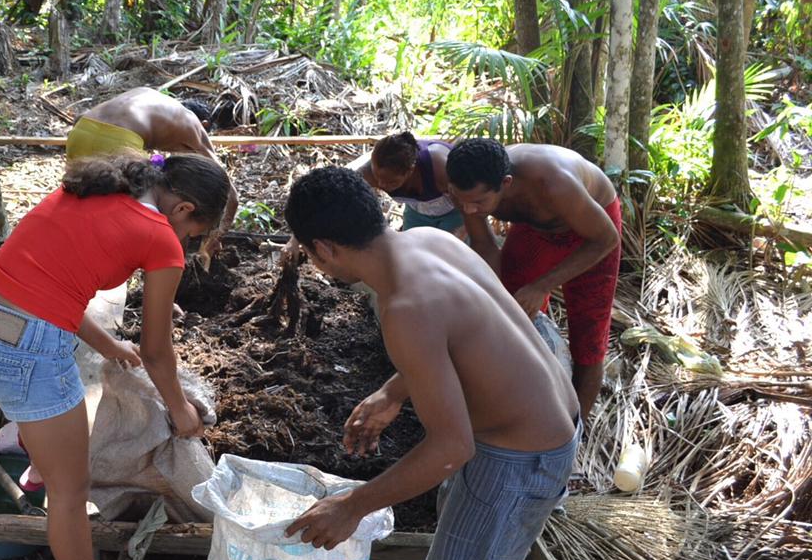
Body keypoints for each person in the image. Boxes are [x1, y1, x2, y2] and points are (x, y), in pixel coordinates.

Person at [280, 167, 579, 560]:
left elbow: (450, 449)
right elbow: (471, 330)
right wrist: (394, 391)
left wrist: (353, 504)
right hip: (551, 418)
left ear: (324, 248)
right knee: (471, 548)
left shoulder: (403, 309)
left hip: (523, 454)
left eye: (312, 256)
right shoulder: (429, 241)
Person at [0, 153, 232, 560]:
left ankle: (42, 458)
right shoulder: (161, 237)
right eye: (193, 233)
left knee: (55, 424)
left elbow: (51, 283)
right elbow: (157, 351)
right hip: (24, 347)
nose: (186, 242)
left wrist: (108, 346)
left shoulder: (95, 190)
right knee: (71, 489)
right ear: (184, 209)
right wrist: (180, 409)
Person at [445, 139, 621, 421]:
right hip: (538, 228)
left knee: (588, 336)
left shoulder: (554, 184)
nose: (468, 210)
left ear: (506, 183)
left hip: (593, 233)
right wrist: (494, 296)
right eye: (461, 200)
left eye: (478, 203)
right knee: (509, 308)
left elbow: (606, 239)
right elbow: (485, 245)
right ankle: (525, 399)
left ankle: (575, 430)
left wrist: (542, 286)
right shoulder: (465, 188)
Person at [66, 87, 238, 248]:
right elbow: (231, 195)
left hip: (82, 130)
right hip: (119, 138)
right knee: (126, 215)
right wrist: (215, 240)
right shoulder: (195, 129)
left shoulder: (160, 106)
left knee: (84, 203)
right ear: (205, 124)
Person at [280, 131, 463, 266]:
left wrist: (457, 238)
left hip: (456, 212)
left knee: (448, 259)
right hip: (418, 212)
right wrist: (295, 241)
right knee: (414, 259)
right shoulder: (367, 174)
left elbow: (471, 208)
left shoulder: (441, 168)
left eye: (391, 182)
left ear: (410, 171)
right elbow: (323, 202)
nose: (381, 184)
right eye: (378, 177)